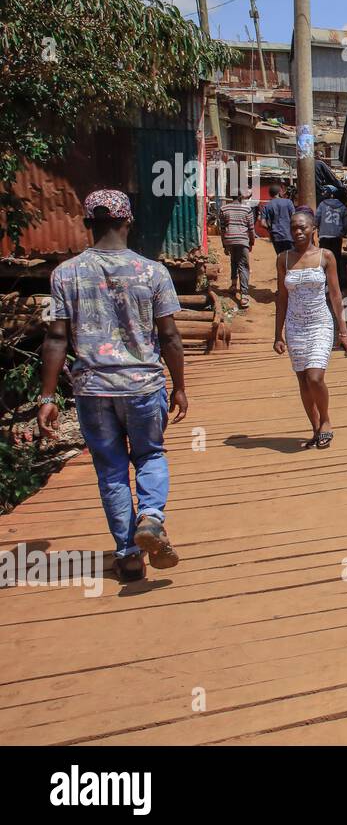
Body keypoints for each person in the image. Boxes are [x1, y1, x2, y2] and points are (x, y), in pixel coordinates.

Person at [37, 189, 187, 583]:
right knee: (150, 455)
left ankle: (129, 555)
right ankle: (151, 518)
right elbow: (170, 337)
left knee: (111, 471)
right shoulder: (153, 272)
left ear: (89, 223)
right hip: (142, 386)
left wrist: (48, 397)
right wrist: (180, 386)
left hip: (93, 390)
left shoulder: (63, 274)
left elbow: (55, 338)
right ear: (128, 221)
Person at [274, 211, 347, 448]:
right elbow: (282, 298)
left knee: (315, 377)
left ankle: (326, 420)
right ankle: (315, 429)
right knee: (303, 381)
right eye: (294, 228)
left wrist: (343, 330)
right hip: (295, 326)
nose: (298, 232)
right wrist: (278, 334)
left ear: (313, 229)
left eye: (303, 228)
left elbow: (336, 295)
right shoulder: (283, 259)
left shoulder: (325, 256)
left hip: (320, 323)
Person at [219, 191, 256, 308]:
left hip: (229, 239)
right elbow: (251, 228)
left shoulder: (224, 209)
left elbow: (222, 229)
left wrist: (224, 245)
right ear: (241, 197)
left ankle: (234, 285)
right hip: (242, 240)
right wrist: (251, 242)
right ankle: (244, 296)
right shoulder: (247, 209)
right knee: (243, 266)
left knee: (234, 261)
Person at [315, 188, 347, 288]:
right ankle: (337, 282)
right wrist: (344, 232)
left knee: (323, 260)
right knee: (336, 259)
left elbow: (316, 219)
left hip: (324, 236)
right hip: (336, 237)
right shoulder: (343, 207)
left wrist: (319, 227)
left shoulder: (322, 205)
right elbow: (346, 225)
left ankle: (324, 282)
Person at [261, 183, 295, 254]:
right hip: (288, 235)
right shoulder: (288, 202)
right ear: (279, 192)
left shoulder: (267, 206)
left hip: (276, 237)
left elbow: (262, 223)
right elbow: (294, 217)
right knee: (291, 258)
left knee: (280, 257)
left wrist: (271, 229)